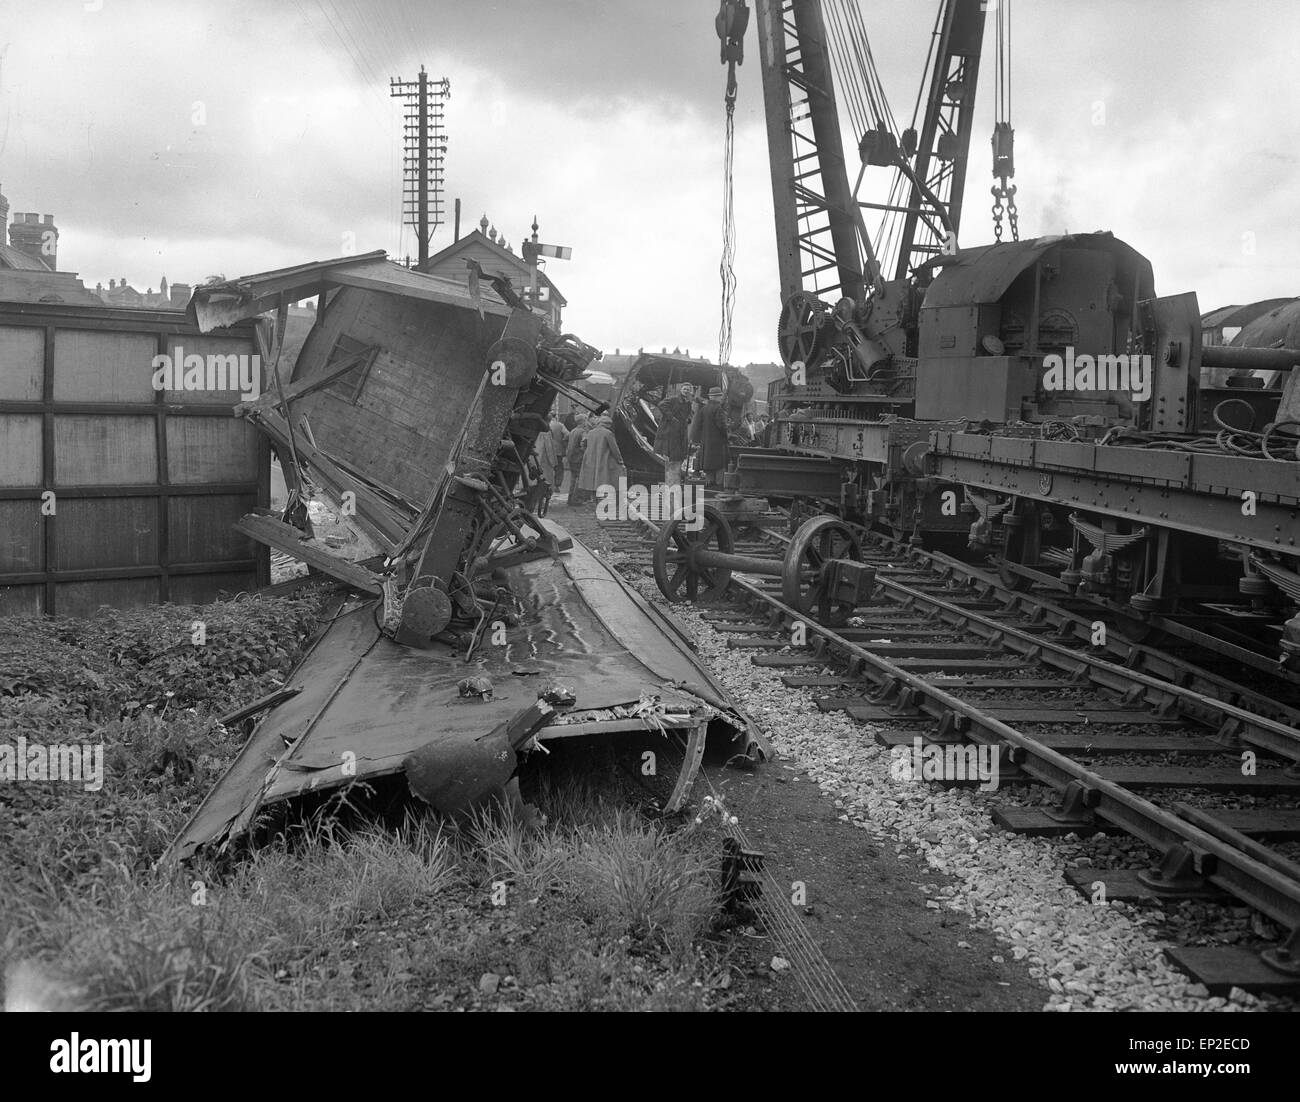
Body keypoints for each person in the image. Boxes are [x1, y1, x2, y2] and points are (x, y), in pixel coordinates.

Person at [578, 412, 625, 510]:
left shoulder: (591, 432)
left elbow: (584, 444)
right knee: (604, 480)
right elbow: (614, 449)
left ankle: (594, 501)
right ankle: (604, 503)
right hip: (604, 459)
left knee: (593, 480)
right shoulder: (608, 433)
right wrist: (620, 461)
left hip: (590, 459)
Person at [654, 382, 694, 487]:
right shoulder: (673, 399)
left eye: (688, 390)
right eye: (685, 389)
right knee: (672, 458)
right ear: (681, 390)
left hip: (681, 432)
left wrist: (688, 419)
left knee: (678, 457)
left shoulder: (688, 402)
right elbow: (661, 405)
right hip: (671, 432)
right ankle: (671, 483)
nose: (686, 391)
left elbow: (689, 413)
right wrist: (671, 418)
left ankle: (673, 483)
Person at [690, 387, 729, 490]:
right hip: (718, 444)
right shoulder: (718, 409)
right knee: (719, 466)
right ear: (717, 397)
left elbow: (697, 426)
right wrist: (727, 436)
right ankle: (718, 487)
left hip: (706, 443)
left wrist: (697, 440)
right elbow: (721, 426)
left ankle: (709, 488)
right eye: (720, 396)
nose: (721, 398)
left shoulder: (704, 409)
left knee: (708, 466)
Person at [535, 415, 569, 492]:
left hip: (541, 452)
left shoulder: (540, 428)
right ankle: (556, 485)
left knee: (544, 468)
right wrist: (563, 441)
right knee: (558, 468)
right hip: (557, 450)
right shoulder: (559, 425)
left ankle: (541, 485)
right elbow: (567, 434)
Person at [566, 413, 594, 504]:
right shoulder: (583, 432)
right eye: (586, 420)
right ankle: (577, 499)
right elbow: (584, 444)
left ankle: (570, 498)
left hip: (571, 457)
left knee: (573, 479)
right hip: (579, 458)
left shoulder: (573, 431)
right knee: (580, 479)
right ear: (583, 421)